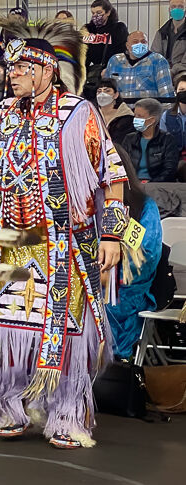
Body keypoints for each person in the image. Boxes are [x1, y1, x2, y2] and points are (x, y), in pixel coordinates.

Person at [0, 16, 129, 449]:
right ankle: (9, 406)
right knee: (11, 326)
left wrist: (113, 236)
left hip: (65, 243)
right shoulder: (1, 115)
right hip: (16, 243)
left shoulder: (78, 113)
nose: (13, 75)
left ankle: (66, 414)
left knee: (67, 332)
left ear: (47, 70)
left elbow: (111, 176)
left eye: (23, 68)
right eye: (10, 68)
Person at [106, 146, 162, 360]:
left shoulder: (143, 207)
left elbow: (145, 257)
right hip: (88, 281)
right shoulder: (85, 206)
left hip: (126, 287)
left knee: (110, 307)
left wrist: (110, 274)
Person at [120, 98, 179, 182]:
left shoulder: (167, 140)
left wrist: (151, 183)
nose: (135, 119)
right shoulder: (129, 139)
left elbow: (169, 170)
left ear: (152, 120)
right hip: (132, 186)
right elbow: (121, 165)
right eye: (135, 115)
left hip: (158, 187)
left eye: (139, 116)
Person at [104, 30, 175, 99]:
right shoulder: (115, 60)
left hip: (147, 109)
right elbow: (106, 90)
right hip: (120, 109)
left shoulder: (158, 60)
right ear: (127, 45)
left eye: (143, 42)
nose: (140, 44)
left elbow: (167, 95)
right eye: (135, 42)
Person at [82, 0, 129, 96]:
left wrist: (110, 68)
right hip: (92, 72)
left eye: (99, 12)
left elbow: (122, 51)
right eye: (93, 13)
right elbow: (83, 51)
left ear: (108, 12)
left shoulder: (118, 28)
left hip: (110, 71)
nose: (95, 16)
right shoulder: (88, 29)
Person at [151, 0, 186, 78]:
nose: (176, 9)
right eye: (173, 6)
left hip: (182, 71)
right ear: (169, 10)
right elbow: (155, 55)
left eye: (181, 6)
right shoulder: (161, 32)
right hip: (163, 70)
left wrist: (172, 71)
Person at [95, 77, 135, 145]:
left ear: (116, 95)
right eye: (99, 91)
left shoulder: (127, 117)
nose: (102, 94)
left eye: (107, 91)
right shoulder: (91, 114)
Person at [160, 73, 186, 154]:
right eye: (182, 90)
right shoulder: (166, 116)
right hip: (174, 160)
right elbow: (163, 144)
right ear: (176, 92)